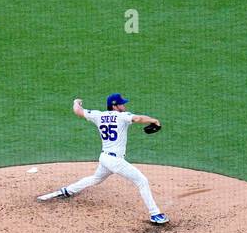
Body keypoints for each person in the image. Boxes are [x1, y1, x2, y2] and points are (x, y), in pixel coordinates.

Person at [38, 93, 167, 224]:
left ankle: (67, 191)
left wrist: (76, 101)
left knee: (96, 179)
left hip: (105, 158)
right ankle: (155, 214)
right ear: (115, 106)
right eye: (122, 103)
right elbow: (138, 118)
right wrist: (154, 121)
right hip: (115, 161)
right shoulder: (122, 116)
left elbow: (78, 111)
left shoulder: (98, 115)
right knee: (142, 181)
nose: (124, 105)